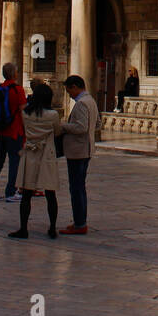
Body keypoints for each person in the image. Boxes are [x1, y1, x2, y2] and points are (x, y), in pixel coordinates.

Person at [7, 80, 63, 240]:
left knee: (27, 193)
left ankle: (23, 228)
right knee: (50, 193)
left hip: (30, 153)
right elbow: (58, 131)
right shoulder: (53, 115)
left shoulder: (26, 113)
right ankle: (52, 228)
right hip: (47, 154)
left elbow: (26, 129)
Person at [60, 74, 99, 235]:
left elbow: (81, 127)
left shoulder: (82, 104)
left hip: (78, 151)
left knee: (76, 188)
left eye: (69, 90)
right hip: (87, 149)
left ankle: (80, 223)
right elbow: (97, 124)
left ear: (75, 87)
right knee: (79, 187)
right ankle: (79, 221)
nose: (69, 94)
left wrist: (64, 126)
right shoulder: (91, 101)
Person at [0, 63, 26, 203]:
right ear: (14, 74)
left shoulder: (0, 88)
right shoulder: (18, 89)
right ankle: (11, 192)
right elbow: (22, 111)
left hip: (0, 130)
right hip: (14, 131)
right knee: (15, 161)